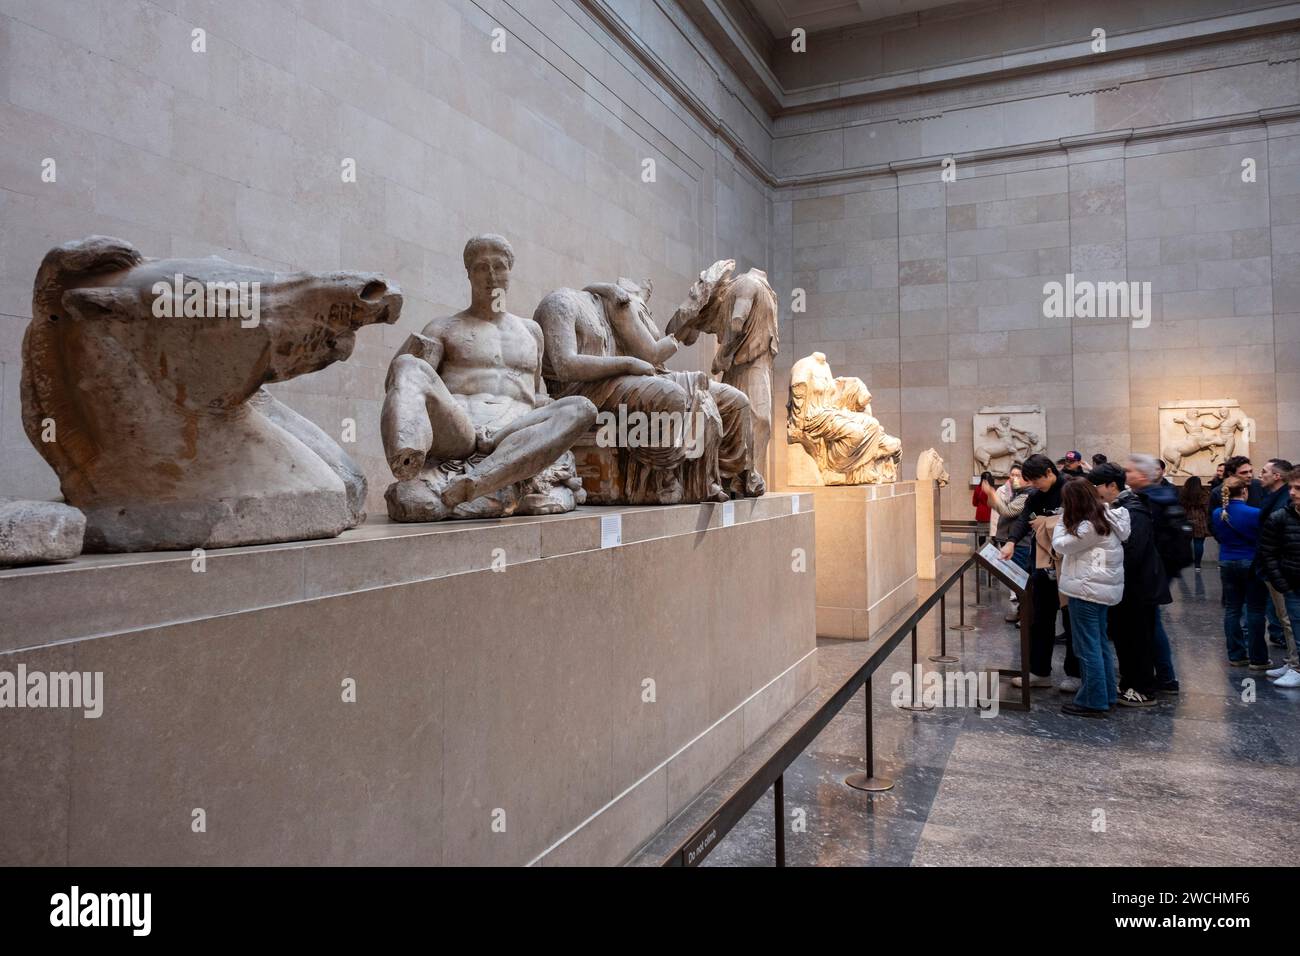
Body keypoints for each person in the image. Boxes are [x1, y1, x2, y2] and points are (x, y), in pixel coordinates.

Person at [1088, 460, 1166, 706]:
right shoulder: (1121, 505)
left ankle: (1141, 688)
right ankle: (1132, 681)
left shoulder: (1133, 509)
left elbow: (1133, 550)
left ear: (1111, 485)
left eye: (1096, 486)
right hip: (1127, 585)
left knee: (1136, 638)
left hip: (1137, 587)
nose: (1094, 491)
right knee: (1126, 636)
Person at [1000, 454, 1078, 690]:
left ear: (1049, 472)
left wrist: (1049, 521)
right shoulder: (1034, 495)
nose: (1033, 485)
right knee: (1039, 620)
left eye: (1036, 480)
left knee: (1071, 622)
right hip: (1042, 567)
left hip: (1068, 567)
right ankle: (1039, 671)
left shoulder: (1071, 490)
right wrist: (1012, 541)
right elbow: (1026, 519)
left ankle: (1075, 674)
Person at [1052, 480, 1130, 717]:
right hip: (1100, 590)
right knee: (1099, 644)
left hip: (1086, 591)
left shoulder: (1089, 527)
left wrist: (1061, 520)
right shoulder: (1108, 517)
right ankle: (1106, 693)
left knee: (1087, 648)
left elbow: (1060, 545)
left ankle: (1093, 700)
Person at [1126, 454, 1183, 695]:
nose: (1125, 475)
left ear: (1141, 475)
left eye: (1129, 471)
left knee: (1149, 624)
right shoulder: (1159, 495)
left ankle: (1163, 677)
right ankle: (1163, 675)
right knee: (1151, 622)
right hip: (1157, 568)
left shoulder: (1150, 500)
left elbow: (1142, 541)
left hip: (1150, 571)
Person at [1210, 475, 1272, 670]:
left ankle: (1236, 655)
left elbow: (1218, 535)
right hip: (1251, 561)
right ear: (1244, 491)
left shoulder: (1218, 513)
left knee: (1232, 609)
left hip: (1227, 561)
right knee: (1255, 610)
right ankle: (1258, 658)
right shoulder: (1255, 513)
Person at [1258, 468, 1300, 688]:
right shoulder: (1281, 515)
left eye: (1298, 488)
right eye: (1291, 488)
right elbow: (1269, 552)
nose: (1292, 493)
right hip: (1290, 582)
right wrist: (1281, 582)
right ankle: (1295, 664)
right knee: (1292, 623)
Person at [985, 464, 1031, 623]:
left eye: (1019, 476)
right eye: (1012, 475)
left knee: (1021, 581)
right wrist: (992, 495)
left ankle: (1025, 615)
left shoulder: (1026, 495)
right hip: (1008, 540)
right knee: (1015, 580)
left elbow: (1008, 511)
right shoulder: (1015, 492)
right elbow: (996, 507)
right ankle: (1021, 612)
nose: (1015, 478)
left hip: (1020, 543)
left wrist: (991, 493)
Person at [1257, 459, 1295, 649]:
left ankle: (1295, 665)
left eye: (1264, 471)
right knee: (1283, 617)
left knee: (1288, 618)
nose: (1259, 475)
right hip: (1274, 566)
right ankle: (1291, 661)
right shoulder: (1272, 497)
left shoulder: (1284, 500)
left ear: (1277, 476)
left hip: (1281, 567)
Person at [1178, 475, 1210, 571]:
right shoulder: (1204, 494)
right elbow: (1206, 508)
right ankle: (1197, 565)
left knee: (1185, 542)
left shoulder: (1183, 493)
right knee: (1199, 542)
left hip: (1187, 520)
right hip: (1200, 521)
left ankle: (1183, 562)